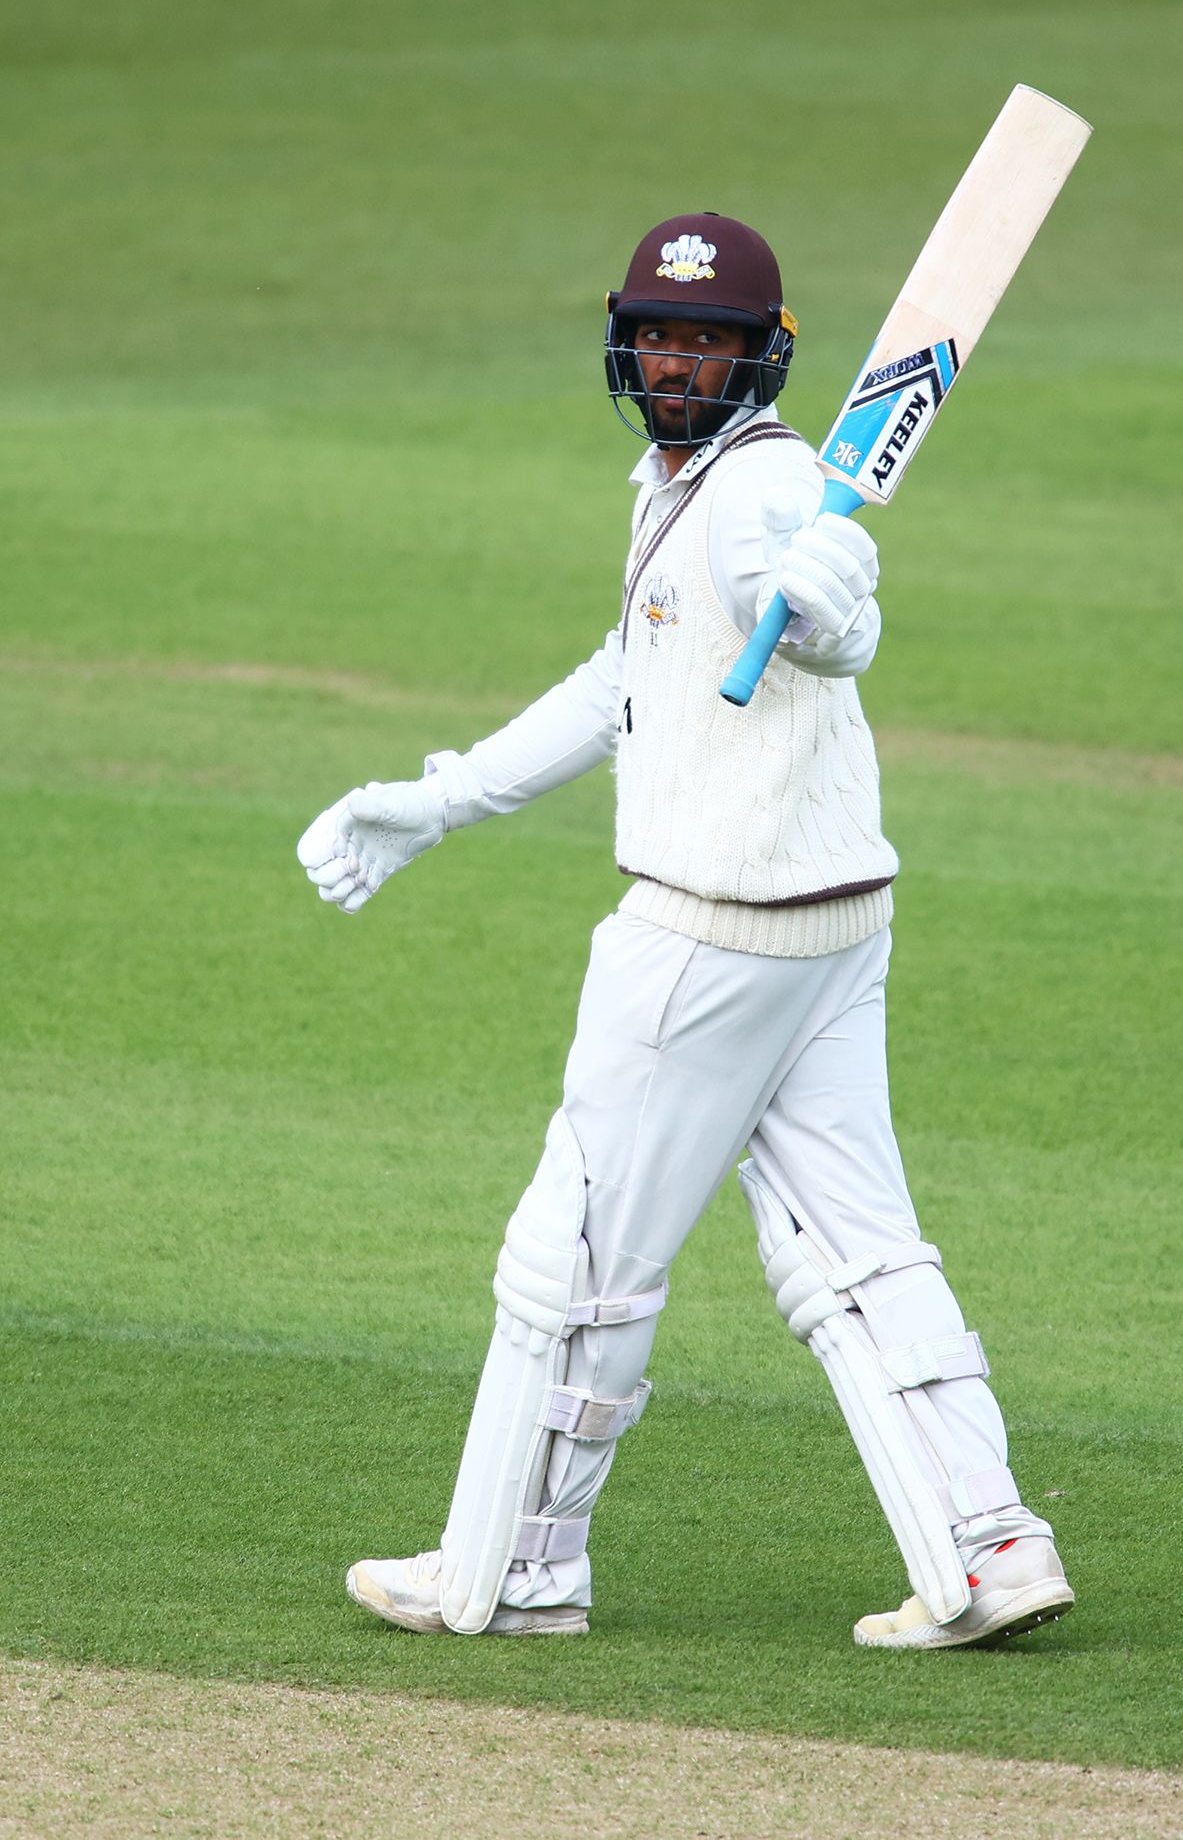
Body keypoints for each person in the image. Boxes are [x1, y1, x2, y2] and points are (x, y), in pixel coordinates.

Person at [296, 212, 1074, 1649]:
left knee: (580, 1254)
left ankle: (518, 1566)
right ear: (623, 337)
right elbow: (623, 676)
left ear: (762, 358)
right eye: (659, 332)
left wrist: (838, 613)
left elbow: (819, 606)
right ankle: (989, 1543)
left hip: (712, 934)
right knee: (857, 1248)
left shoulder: (759, 500)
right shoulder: (676, 485)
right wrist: (439, 798)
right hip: (834, 920)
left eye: (706, 340)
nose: (675, 360)